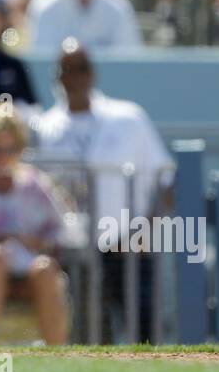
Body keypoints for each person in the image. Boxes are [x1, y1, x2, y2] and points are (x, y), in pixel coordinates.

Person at [30, 39, 172, 341]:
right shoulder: (46, 128)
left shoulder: (128, 117)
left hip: (127, 245)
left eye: (81, 68)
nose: (75, 77)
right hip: (71, 248)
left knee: (143, 331)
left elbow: (165, 179)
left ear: (92, 73)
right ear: (57, 76)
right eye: (67, 69)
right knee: (85, 331)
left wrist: (145, 231)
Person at [0, 102, 70, 346]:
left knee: (45, 269)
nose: (1, 158)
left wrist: (34, 243)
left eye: (9, 150)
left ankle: (59, 354)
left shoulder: (33, 183)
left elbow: (61, 232)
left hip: (25, 272)